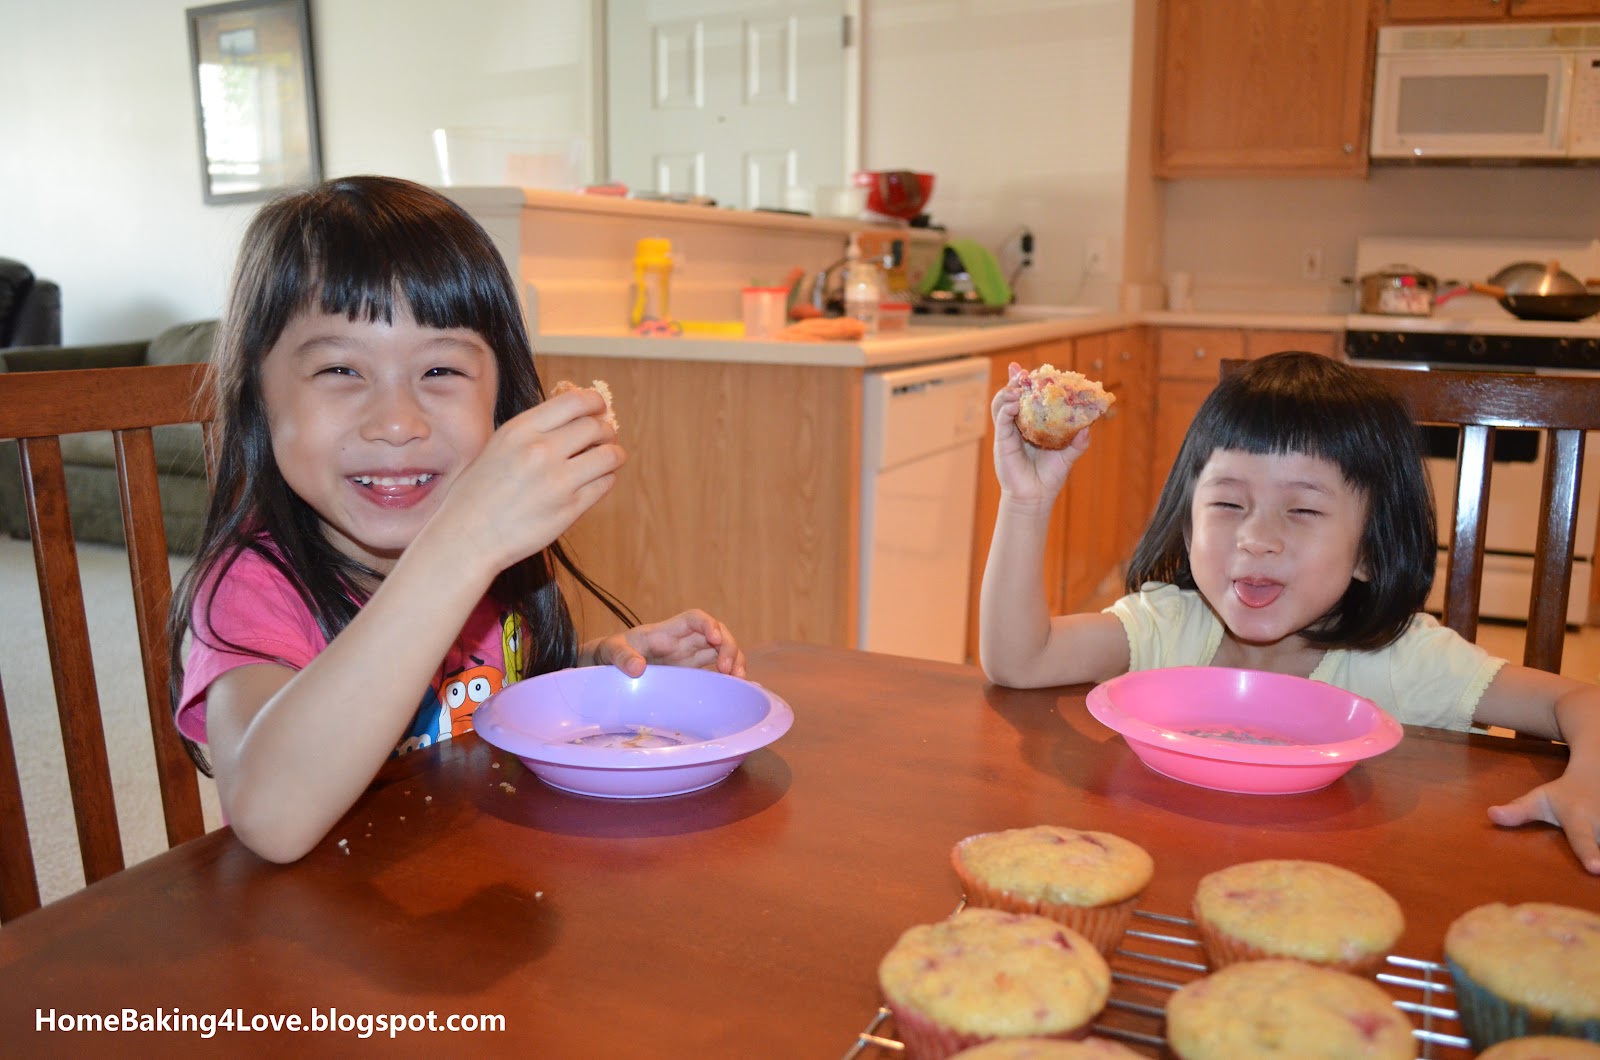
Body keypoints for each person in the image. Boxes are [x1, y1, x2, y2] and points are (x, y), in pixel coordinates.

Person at [168, 175, 744, 864]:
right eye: (340, 372)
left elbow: (489, 701)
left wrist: (594, 674)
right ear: (258, 397)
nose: (395, 423)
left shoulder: (494, 566)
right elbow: (271, 817)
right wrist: (462, 545)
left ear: (502, 400)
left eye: (440, 369)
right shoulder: (251, 592)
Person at [980, 352, 1600, 874]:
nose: (1257, 538)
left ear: (1369, 550)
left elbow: (1580, 702)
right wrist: (1026, 502)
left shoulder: (1403, 662)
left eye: (1302, 511)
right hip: (1173, 872)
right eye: (1227, 502)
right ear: (1188, 516)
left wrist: (1587, 784)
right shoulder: (1168, 626)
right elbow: (1019, 660)